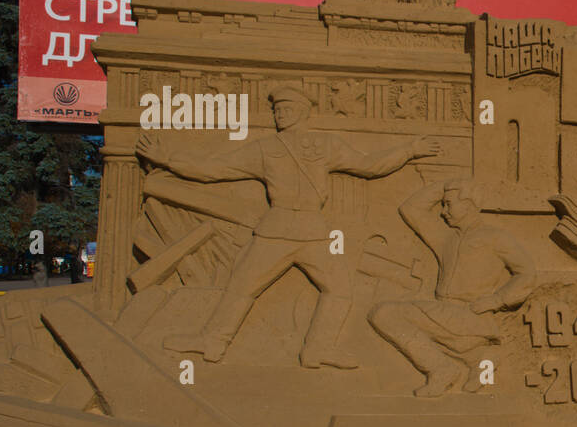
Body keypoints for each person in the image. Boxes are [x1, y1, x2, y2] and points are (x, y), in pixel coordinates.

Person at [136, 85, 439, 367]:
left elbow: (370, 166)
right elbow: (213, 170)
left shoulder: (325, 145)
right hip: (278, 230)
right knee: (243, 286)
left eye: (288, 109)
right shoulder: (266, 148)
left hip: (309, 232)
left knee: (338, 289)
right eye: (277, 110)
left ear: (304, 112)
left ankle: (317, 348)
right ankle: (213, 342)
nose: (280, 114)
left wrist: (409, 150)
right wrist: (168, 160)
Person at [368, 179, 535, 396]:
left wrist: (496, 300)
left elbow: (527, 273)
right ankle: (480, 358)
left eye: (448, 204)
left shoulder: (495, 237)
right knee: (398, 316)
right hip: (446, 313)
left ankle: (442, 368)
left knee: (385, 314)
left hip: (470, 314)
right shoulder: (445, 238)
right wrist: (447, 185)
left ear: (468, 204)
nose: (443, 211)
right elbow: (410, 209)